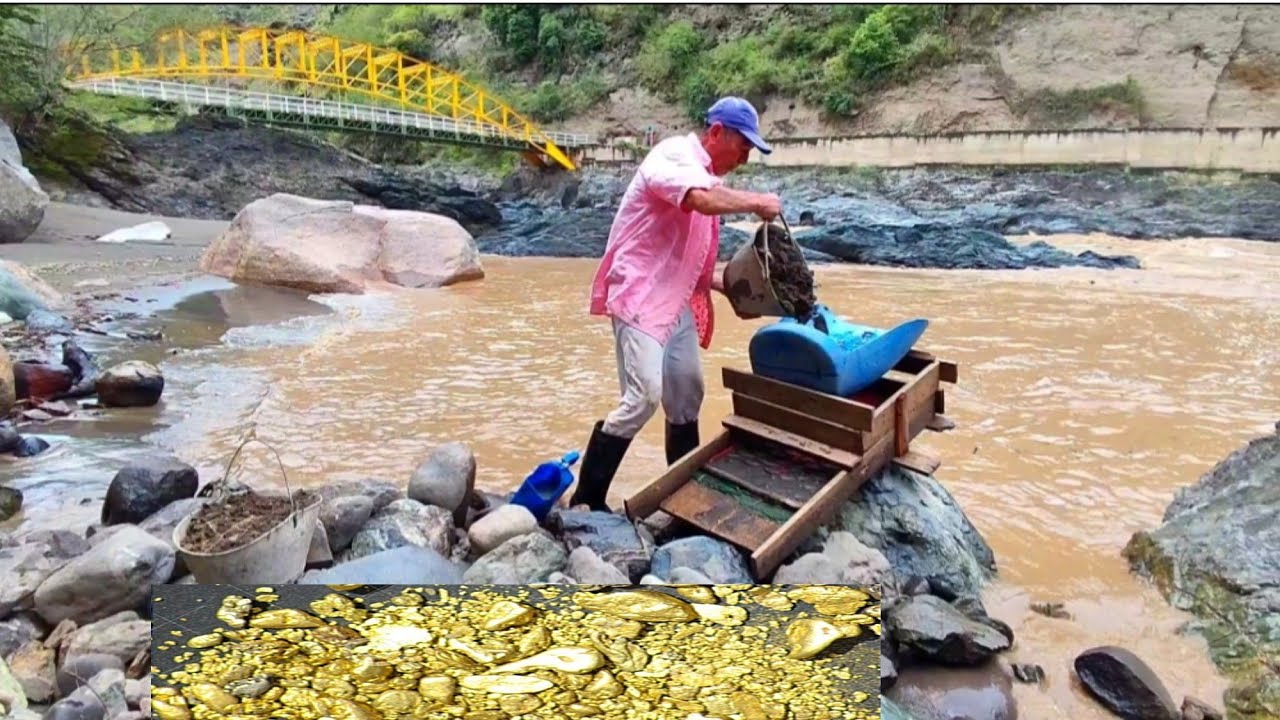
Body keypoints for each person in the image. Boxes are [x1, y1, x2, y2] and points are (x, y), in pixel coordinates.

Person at [569, 96, 782, 512]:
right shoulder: (673, 155)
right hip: (641, 296)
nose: (746, 156)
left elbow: (697, 270)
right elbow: (695, 199)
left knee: (687, 393)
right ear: (717, 132)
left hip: (677, 303)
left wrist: (739, 291)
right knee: (643, 396)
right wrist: (756, 203)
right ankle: (587, 501)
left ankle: (683, 493)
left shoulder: (711, 183)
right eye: (743, 144)